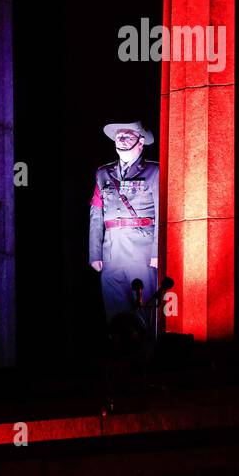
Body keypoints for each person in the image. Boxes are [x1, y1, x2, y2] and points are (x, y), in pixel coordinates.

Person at [88, 121, 160, 328]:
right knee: (115, 313)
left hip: (143, 251)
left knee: (146, 310)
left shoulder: (154, 171)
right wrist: (95, 253)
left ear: (141, 142)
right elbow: (95, 214)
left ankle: (147, 353)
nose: (121, 140)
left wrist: (157, 251)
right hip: (111, 252)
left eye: (127, 136)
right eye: (118, 136)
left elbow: (162, 212)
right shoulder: (103, 173)